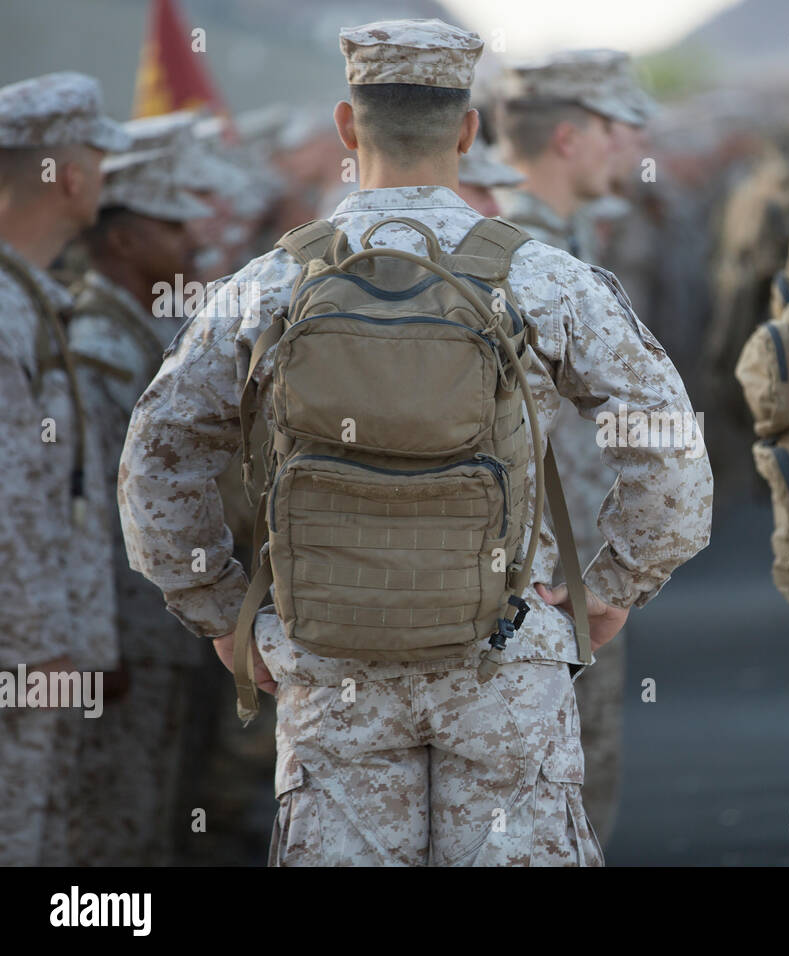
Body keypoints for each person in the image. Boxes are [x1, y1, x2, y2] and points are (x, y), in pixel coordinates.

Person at [118, 17, 712, 867]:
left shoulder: (274, 280)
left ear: (346, 128)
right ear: (469, 131)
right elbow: (667, 446)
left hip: (330, 663)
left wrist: (219, 608)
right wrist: (614, 585)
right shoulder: (543, 276)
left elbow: (159, 453)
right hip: (504, 658)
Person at [495, 48, 656, 843]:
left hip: (579, 556)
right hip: (547, 568)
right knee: (552, 797)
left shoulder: (561, 237)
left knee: (579, 783)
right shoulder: (519, 253)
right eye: (618, 127)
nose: (631, 145)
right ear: (569, 136)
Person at [62, 141, 212, 865]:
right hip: (122, 633)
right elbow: (80, 509)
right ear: (123, 239)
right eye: (174, 227)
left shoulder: (140, 333)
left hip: (155, 626)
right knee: (112, 826)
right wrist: (97, 643)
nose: (195, 239)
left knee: (151, 814)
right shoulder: (98, 346)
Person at [0, 70, 128, 866]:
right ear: (70, 176)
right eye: (100, 161)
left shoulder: (31, 297)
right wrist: (35, 643)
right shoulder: (8, 308)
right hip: (16, 653)